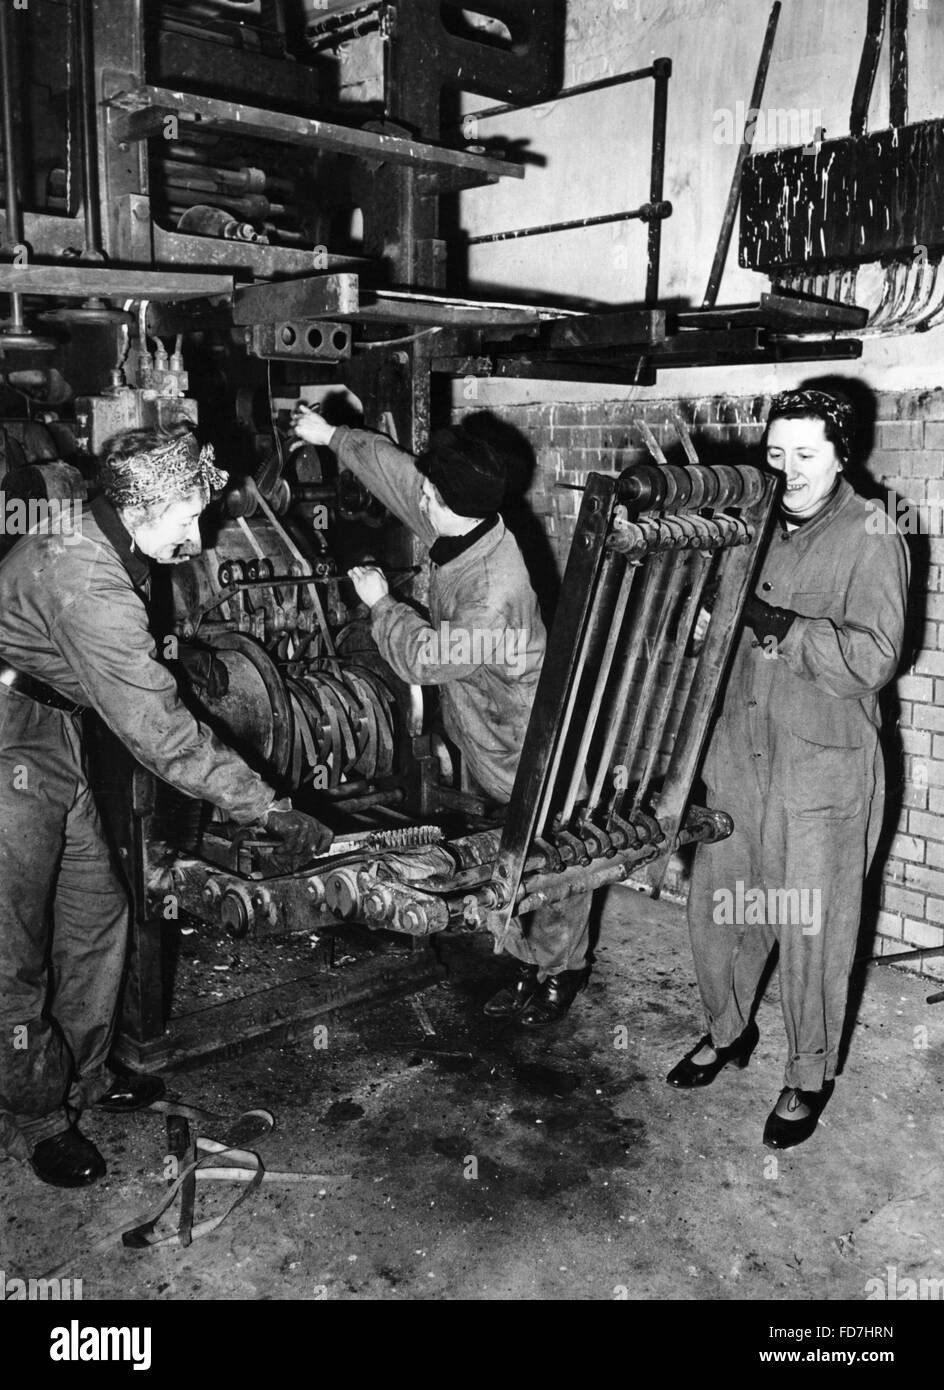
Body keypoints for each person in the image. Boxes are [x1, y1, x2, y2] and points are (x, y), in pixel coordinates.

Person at [0, 425, 331, 1188]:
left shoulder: (105, 534)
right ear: (143, 507)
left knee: (97, 913)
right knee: (12, 951)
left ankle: (78, 1081)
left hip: (51, 728)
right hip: (13, 744)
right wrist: (267, 808)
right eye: (187, 515)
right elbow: (160, 733)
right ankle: (38, 1116)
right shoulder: (88, 583)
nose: (198, 530)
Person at [291, 404, 592, 1027]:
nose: (419, 495)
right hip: (483, 721)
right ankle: (517, 949)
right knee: (514, 850)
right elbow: (400, 477)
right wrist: (333, 436)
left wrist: (382, 605)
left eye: (428, 493)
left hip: (526, 734)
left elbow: (426, 660)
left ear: (445, 501)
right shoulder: (462, 522)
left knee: (559, 852)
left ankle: (560, 969)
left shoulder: (493, 590)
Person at [667, 389, 909, 1148]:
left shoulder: (872, 529)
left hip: (820, 765)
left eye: (807, 454)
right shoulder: (753, 522)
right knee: (721, 905)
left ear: (844, 452)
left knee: (811, 926)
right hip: (740, 750)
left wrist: (774, 624)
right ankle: (728, 1030)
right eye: (778, 453)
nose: (790, 470)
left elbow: (873, 658)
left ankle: (807, 1074)